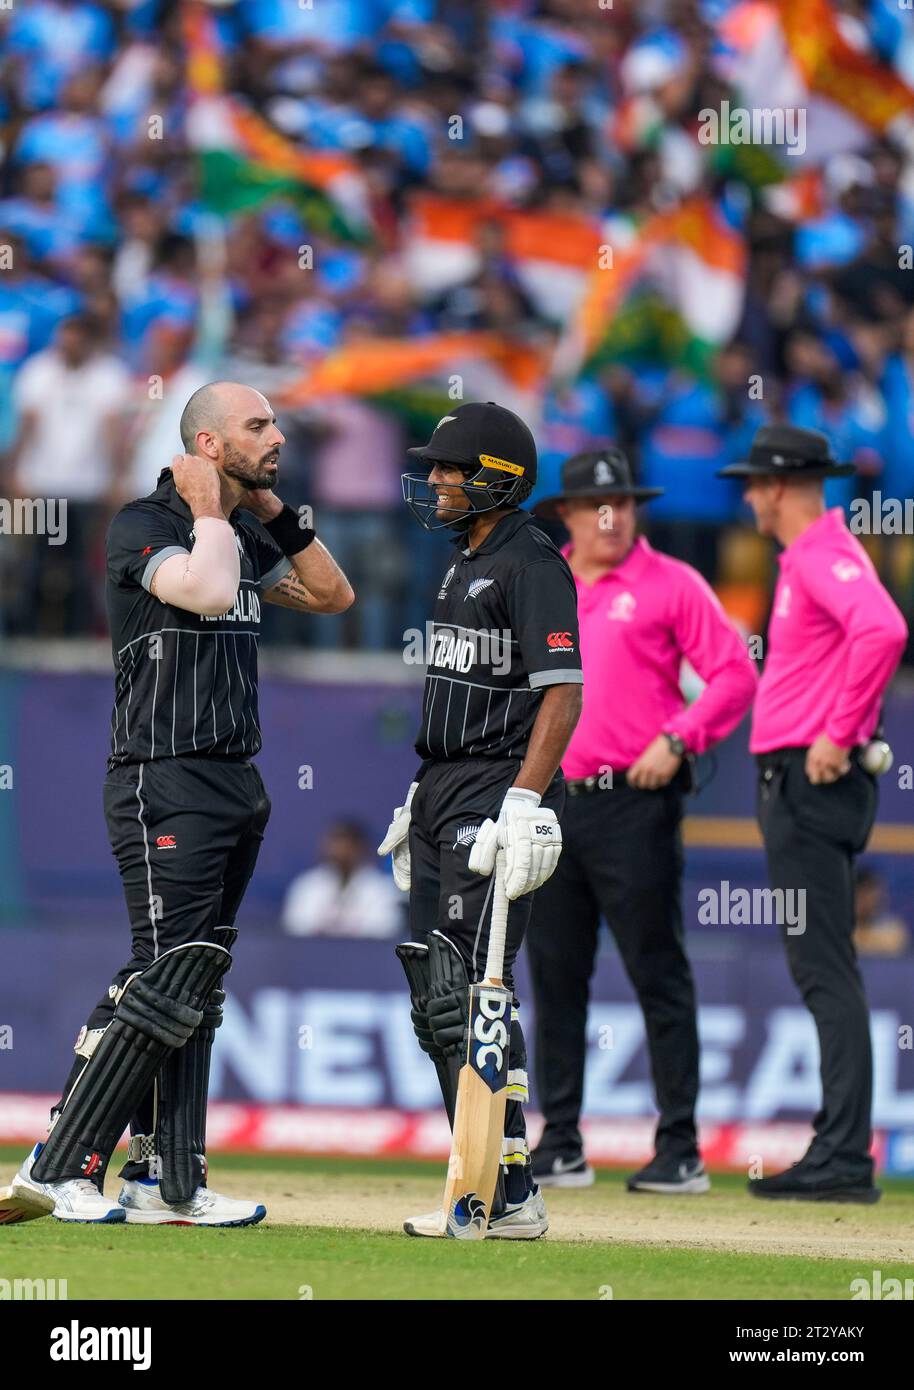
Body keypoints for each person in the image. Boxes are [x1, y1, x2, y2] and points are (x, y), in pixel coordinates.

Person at [0, 381, 353, 1227]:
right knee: (163, 972)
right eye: (256, 426)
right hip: (163, 774)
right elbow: (199, 589)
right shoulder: (143, 526)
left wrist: (273, 510)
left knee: (197, 974)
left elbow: (334, 594)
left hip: (234, 778)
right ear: (204, 444)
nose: (276, 435)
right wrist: (210, 512)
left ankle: (170, 1180)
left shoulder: (234, 531)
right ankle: (60, 1166)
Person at [526, 448, 757, 1193]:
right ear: (566, 513)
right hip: (555, 801)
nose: (613, 515)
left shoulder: (671, 583)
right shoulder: (544, 582)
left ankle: (680, 1146)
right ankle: (559, 1140)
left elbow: (735, 674)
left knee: (657, 971)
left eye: (624, 502)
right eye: (599, 503)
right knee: (556, 976)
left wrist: (680, 737)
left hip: (633, 798)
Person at [378, 401, 583, 1239]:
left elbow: (562, 693)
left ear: (496, 477)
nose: (433, 482)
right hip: (444, 789)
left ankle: (495, 1193)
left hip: (499, 792)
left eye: (448, 469)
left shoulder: (533, 562)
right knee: (439, 994)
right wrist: (421, 794)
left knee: (469, 991)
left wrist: (525, 801)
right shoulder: (463, 560)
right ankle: (505, 1187)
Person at [718, 423, 907, 1203]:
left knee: (825, 968)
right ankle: (839, 1149)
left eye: (758, 484)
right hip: (803, 776)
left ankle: (842, 1156)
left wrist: (840, 731)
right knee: (825, 967)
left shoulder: (824, 555)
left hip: (809, 777)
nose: (750, 497)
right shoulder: (810, 558)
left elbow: (886, 629)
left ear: (783, 487)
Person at [282, 820, 404, 938]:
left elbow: (385, 929)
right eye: (335, 843)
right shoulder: (307, 886)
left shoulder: (382, 889)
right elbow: (295, 928)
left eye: (348, 845)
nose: (340, 851)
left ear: (361, 848)